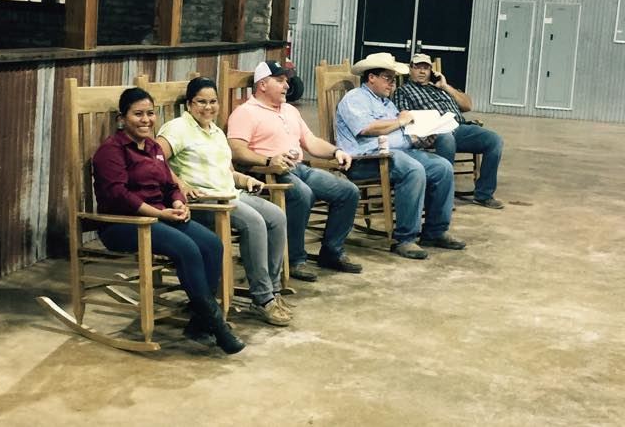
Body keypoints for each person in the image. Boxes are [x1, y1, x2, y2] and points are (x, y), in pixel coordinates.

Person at [92, 86, 245, 354]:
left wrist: (177, 202)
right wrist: (159, 213)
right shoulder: (111, 150)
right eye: (137, 114)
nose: (146, 120)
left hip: (161, 217)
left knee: (212, 245)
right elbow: (119, 195)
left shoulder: (153, 147)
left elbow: (170, 182)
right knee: (187, 249)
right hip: (123, 224)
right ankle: (218, 326)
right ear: (122, 118)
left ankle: (199, 322)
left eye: (150, 113)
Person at [157, 77, 292, 327]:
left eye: (213, 102)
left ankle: (271, 289)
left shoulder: (216, 131)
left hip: (229, 193)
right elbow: (155, 159)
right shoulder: (177, 128)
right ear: (189, 104)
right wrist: (181, 184)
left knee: (276, 216)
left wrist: (245, 179)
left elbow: (227, 171)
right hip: (205, 202)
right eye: (201, 102)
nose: (208, 107)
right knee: (253, 222)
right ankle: (263, 297)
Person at [227, 61, 363, 279]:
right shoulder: (245, 112)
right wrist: (269, 160)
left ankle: (332, 251)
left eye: (286, 81)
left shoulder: (290, 110)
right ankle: (295, 259)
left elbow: (310, 141)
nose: (287, 86)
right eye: (280, 81)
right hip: (266, 172)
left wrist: (336, 151)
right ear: (262, 85)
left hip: (299, 168)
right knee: (302, 194)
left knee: (348, 191)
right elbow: (236, 150)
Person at [335, 52, 466, 259]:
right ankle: (405, 238)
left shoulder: (386, 102)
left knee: (442, 167)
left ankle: (435, 231)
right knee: (413, 169)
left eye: (394, 80)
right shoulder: (356, 98)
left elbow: (399, 131)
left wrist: (419, 137)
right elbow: (367, 128)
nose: (392, 85)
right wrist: (401, 121)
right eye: (388, 79)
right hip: (366, 159)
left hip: (397, 153)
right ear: (371, 78)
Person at [393, 53, 504, 209]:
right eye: (418, 67)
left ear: (431, 71)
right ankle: (442, 197)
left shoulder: (441, 88)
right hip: (434, 131)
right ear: (410, 69)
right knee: (447, 139)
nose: (422, 71)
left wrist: (445, 86)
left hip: (458, 127)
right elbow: (403, 115)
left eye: (426, 68)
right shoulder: (404, 91)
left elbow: (467, 105)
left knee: (494, 140)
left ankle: (484, 195)